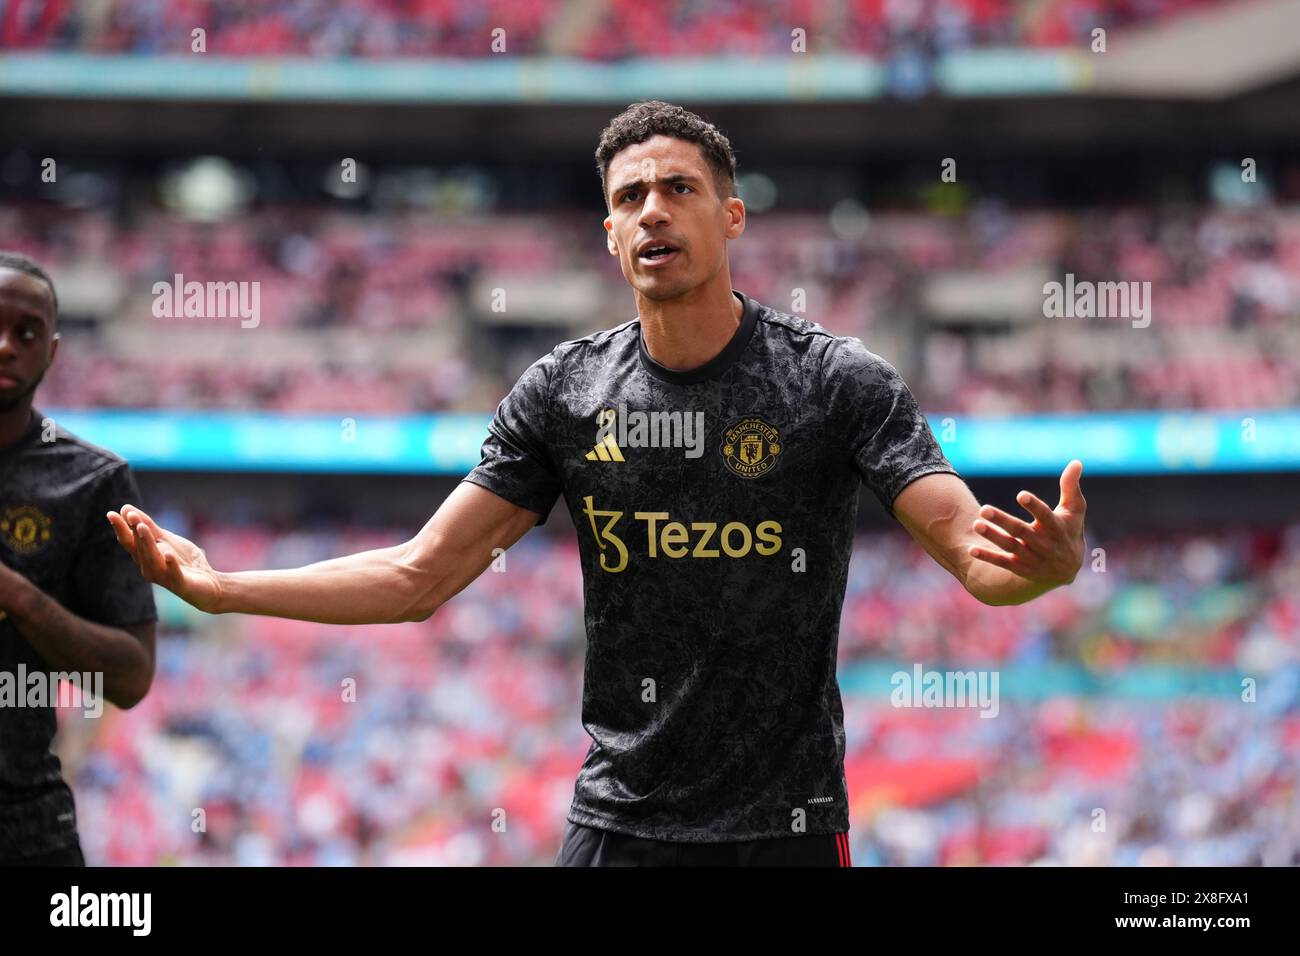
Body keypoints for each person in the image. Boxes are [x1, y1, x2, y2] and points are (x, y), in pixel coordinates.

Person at [109, 101, 1086, 867]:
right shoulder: (563, 393)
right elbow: (418, 575)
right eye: (628, 198)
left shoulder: (836, 381)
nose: (651, 208)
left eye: (678, 187)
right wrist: (223, 587)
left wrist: (1040, 568)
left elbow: (973, 553)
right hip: (621, 822)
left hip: (787, 825)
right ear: (611, 236)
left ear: (731, 214)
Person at [0, 251, 158, 866]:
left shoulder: (91, 482)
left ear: (53, 351)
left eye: (27, 331)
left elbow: (131, 677)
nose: (6, 346)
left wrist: (16, 594)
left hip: (21, 822)